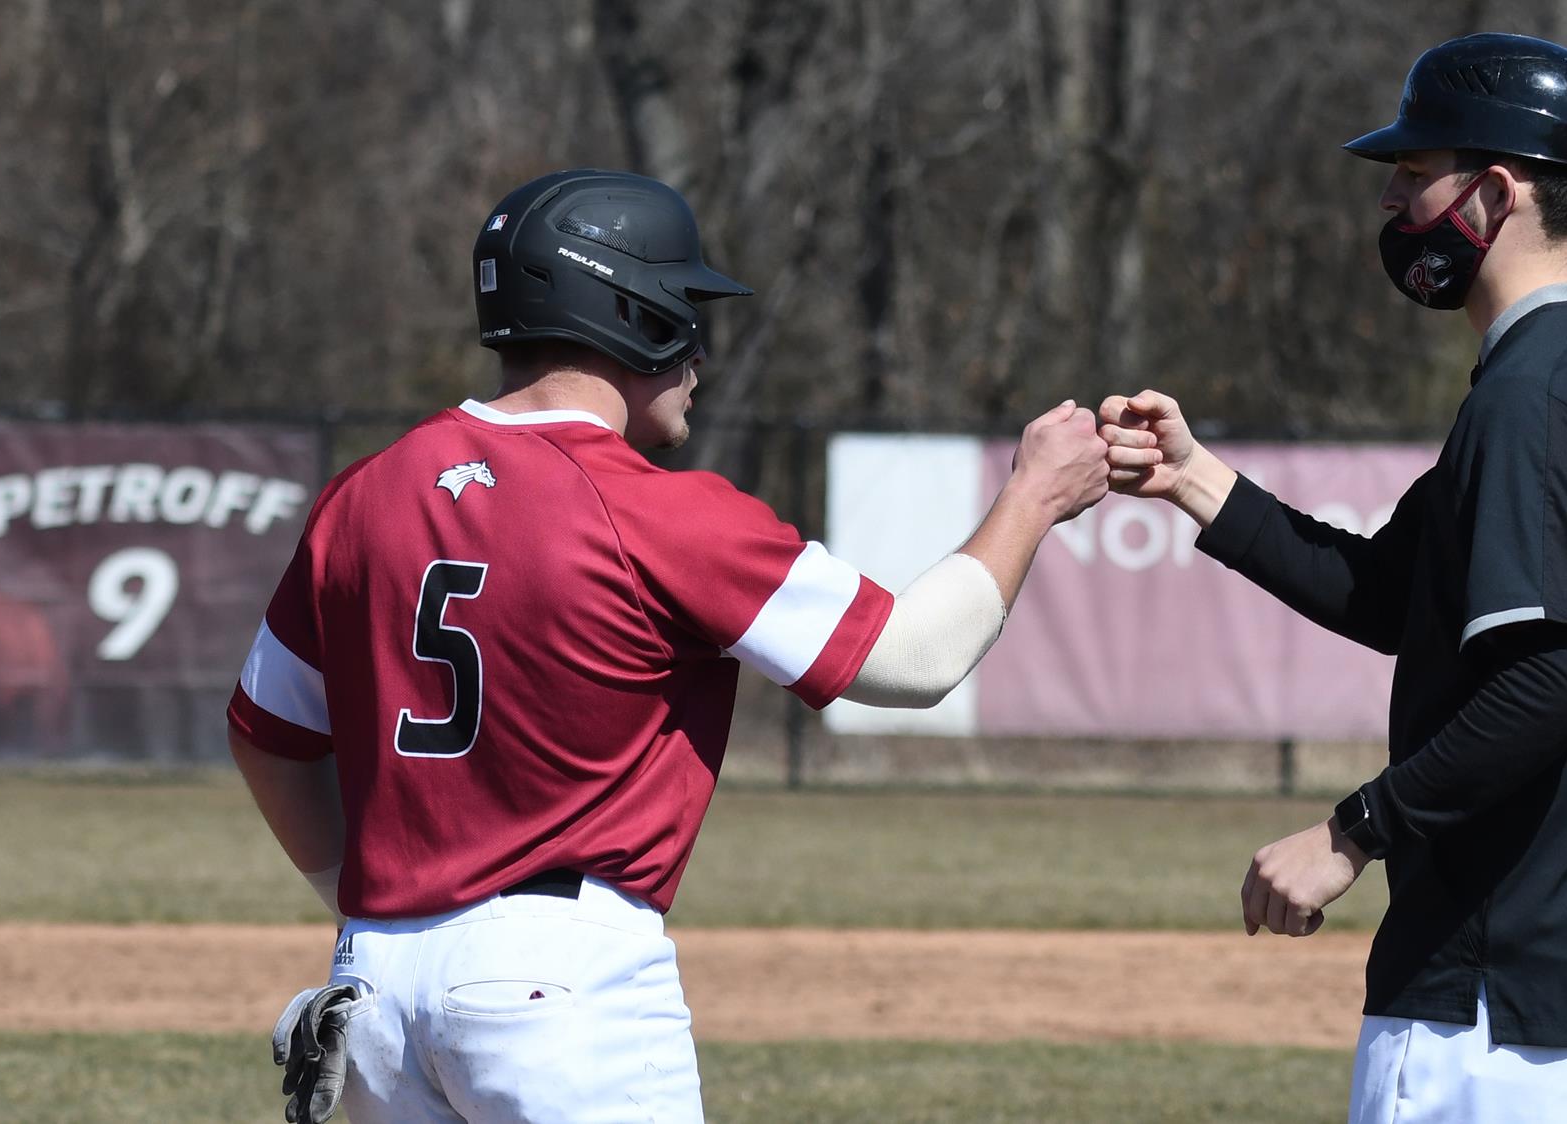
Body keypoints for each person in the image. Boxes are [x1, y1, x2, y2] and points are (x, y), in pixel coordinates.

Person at [227, 168, 1109, 1124]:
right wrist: (1034, 497)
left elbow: (267, 735)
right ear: (628, 313)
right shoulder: (652, 509)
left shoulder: (366, 494)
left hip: (375, 985)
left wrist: (372, 911)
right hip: (557, 981)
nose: (696, 350)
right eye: (682, 307)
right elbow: (913, 657)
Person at [1101, 34, 1567, 1124]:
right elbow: (1388, 596)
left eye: (1415, 176)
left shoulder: (1533, 392)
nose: (1394, 205)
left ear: (1496, 191)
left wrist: (1353, 830)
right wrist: (1195, 481)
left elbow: (1554, 676)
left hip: (1512, 1013)